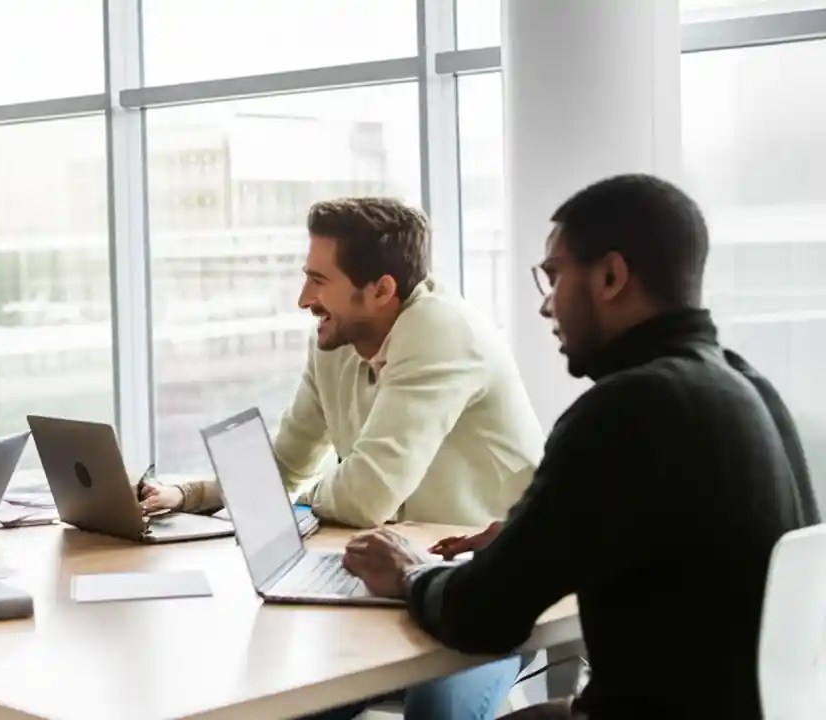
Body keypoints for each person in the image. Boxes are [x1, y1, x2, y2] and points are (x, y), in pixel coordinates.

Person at [343, 174, 822, 719]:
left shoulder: (627, 409)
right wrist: (535, 538)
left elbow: (484, 617)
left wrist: (410, 573)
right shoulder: (746, 384)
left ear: (611, 276)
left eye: (554, 276)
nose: (547, 306)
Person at [145, 197, 545, 719]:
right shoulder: (333, 343)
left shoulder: (441, 332)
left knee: (439, 708)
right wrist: (186, 495)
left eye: (318, 280)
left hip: (488, 585)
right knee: (278, 696)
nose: (302, 298)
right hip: (386, 580)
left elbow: (364, 499)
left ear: (381, 290)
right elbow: (287, 465)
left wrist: (298, 506)